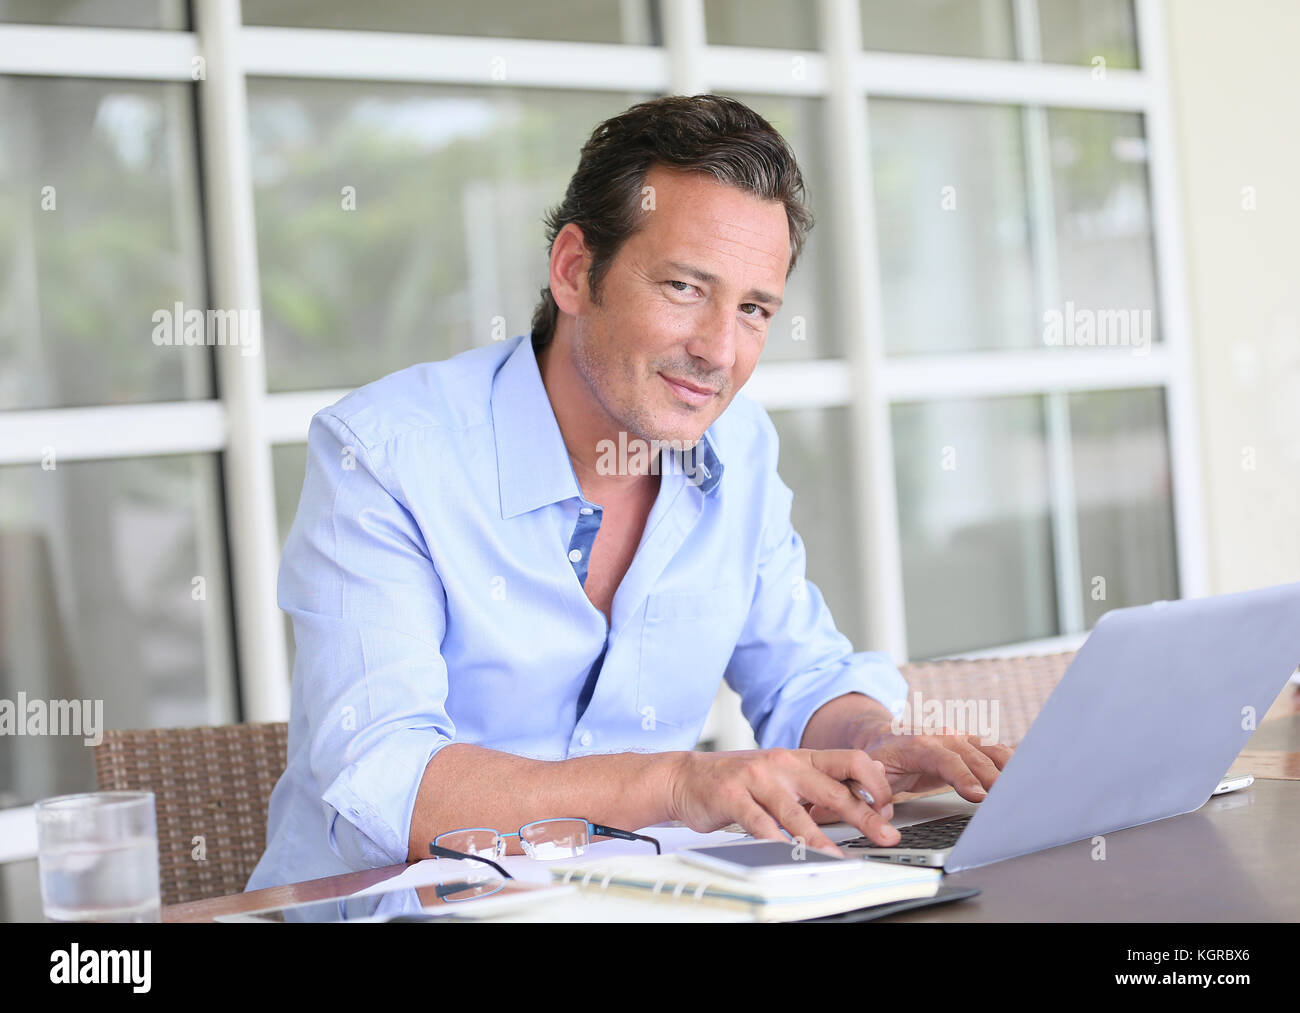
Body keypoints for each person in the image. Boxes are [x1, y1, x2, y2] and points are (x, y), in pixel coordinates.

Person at [246, 94, 1010, 891]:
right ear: (576, 271)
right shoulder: (385, 455)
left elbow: (801, 677)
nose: (718, 350)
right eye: (684, 286)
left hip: (645, 902)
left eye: (754, 309)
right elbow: (386, 778)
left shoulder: (739, 449)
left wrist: (868, 741)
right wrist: (678, 784)